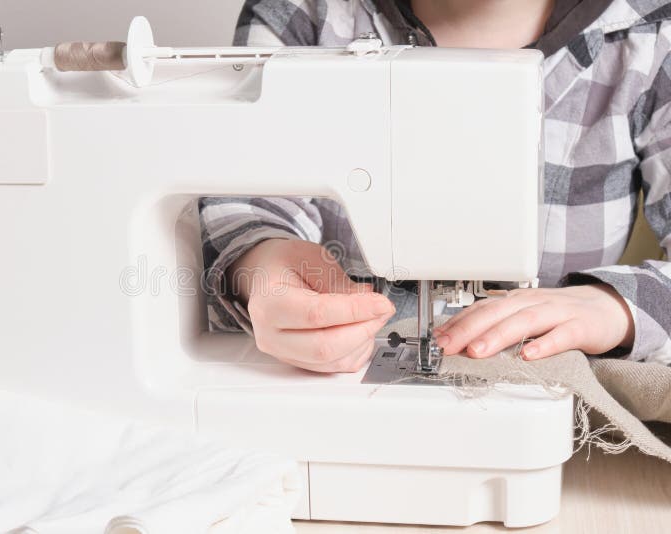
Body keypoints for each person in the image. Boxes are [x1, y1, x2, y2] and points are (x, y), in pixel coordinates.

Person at [200, 0, 671, 373]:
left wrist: (615, 308)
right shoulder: (304, 15)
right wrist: (259, 263)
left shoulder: (653, 38)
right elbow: (246, 204)